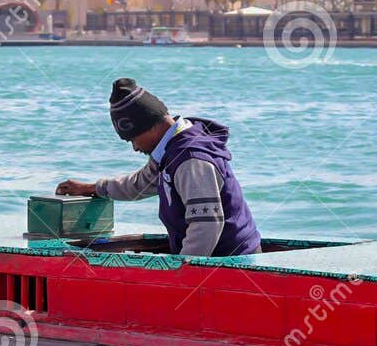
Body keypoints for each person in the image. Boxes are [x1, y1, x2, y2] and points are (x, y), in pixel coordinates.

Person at [56, 78, 261, 258]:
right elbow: (140, 184)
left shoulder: (191, 160)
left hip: (231, 264)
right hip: (210, 261)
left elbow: (206, 226)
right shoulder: (171, 150)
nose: (135, 147)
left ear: (152, 125)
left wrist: (179, 275)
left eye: (133, 139)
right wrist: (92, 188)